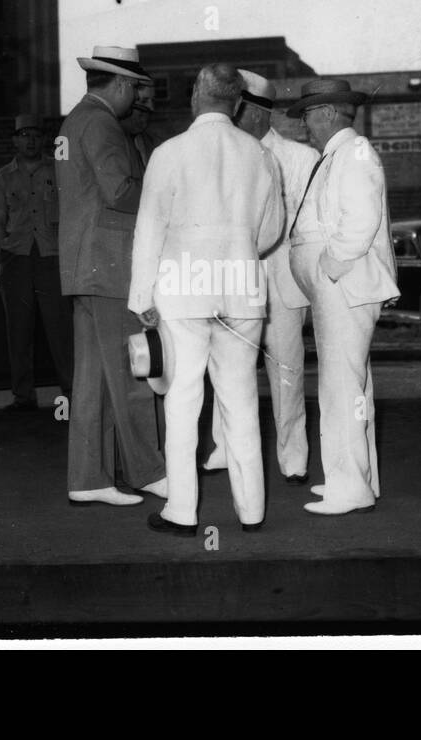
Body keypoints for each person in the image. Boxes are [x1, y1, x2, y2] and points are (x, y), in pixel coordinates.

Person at [129, 63, 284, 535]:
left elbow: (149, 228)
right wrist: (234, 248)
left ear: (197, 94)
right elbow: (272, 231)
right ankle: (252, 510)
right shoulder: (261, 155)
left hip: (181, 292)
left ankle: (182, 511)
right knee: (240, 400)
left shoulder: (168, 153)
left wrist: (141, 297)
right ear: (237, 102)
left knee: (182, 401)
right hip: (240, 291)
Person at [57, 45, 166, 507]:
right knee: (130, 370)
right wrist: (165, 191)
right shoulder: (101, 122)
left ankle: (89, 479)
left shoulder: (74, 121)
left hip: (86, 266)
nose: (136, 99)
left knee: (94, 379)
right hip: (110, 264)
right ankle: (148, 472)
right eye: (135, 88)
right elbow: (121, 191)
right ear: (120, 85)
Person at [284, 79, 399, 515]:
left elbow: (362, 220)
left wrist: (329, 267)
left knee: (339, 388)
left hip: (343, 284)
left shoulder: (354, 153)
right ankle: (355, 478)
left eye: (309, 115)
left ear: (329, 113)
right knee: (350, 387)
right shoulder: (336, 156)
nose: (305, 125)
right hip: (338, 286)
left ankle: (349, 489)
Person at [204, 70, 319, 485]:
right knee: (228, 369)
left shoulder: (300, 159)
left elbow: (307, 230)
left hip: (283, 286)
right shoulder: (223, 154)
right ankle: (224, 449)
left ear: (255, 111)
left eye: (237, 107)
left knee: (286, 374)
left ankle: (293, 459)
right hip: (233, 283)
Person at [0, 114, 73, 411]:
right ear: (15, 140)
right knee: (18, 329)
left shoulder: (58, 169)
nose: (30, 140)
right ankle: (23, 396)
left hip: (51, 256)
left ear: (44, 139)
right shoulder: (4, 176)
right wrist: (3, 249)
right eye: (24, 135)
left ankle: (72, 391)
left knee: (60, 327)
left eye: (35, 135)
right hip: (17, 257)